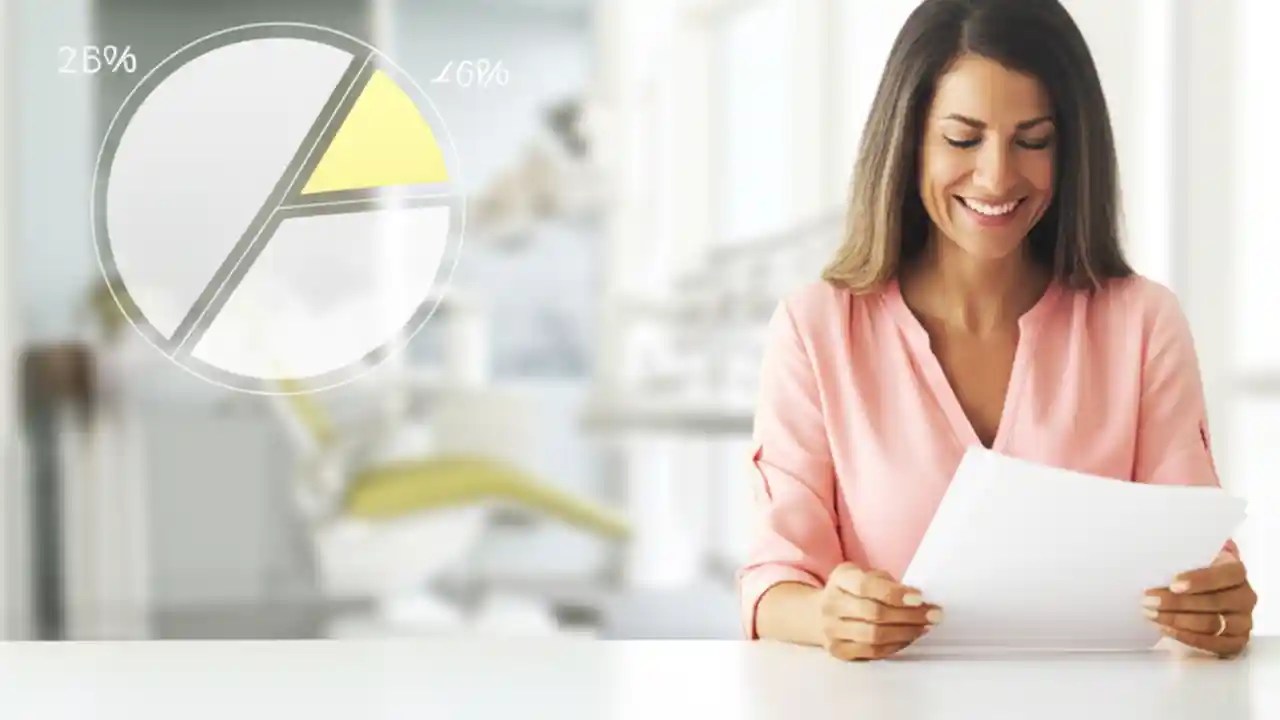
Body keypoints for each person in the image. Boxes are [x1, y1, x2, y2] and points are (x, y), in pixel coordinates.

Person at [738, 0, 1256, 661]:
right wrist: (827, 617)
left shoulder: (1142, 324)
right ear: (908, 140)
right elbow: (776, 581)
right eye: (962, 139)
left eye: (1033, 141)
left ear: (1070, 147)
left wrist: (1215, 610)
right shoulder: (819, 329)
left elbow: (1202, 555)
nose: (997, 177)